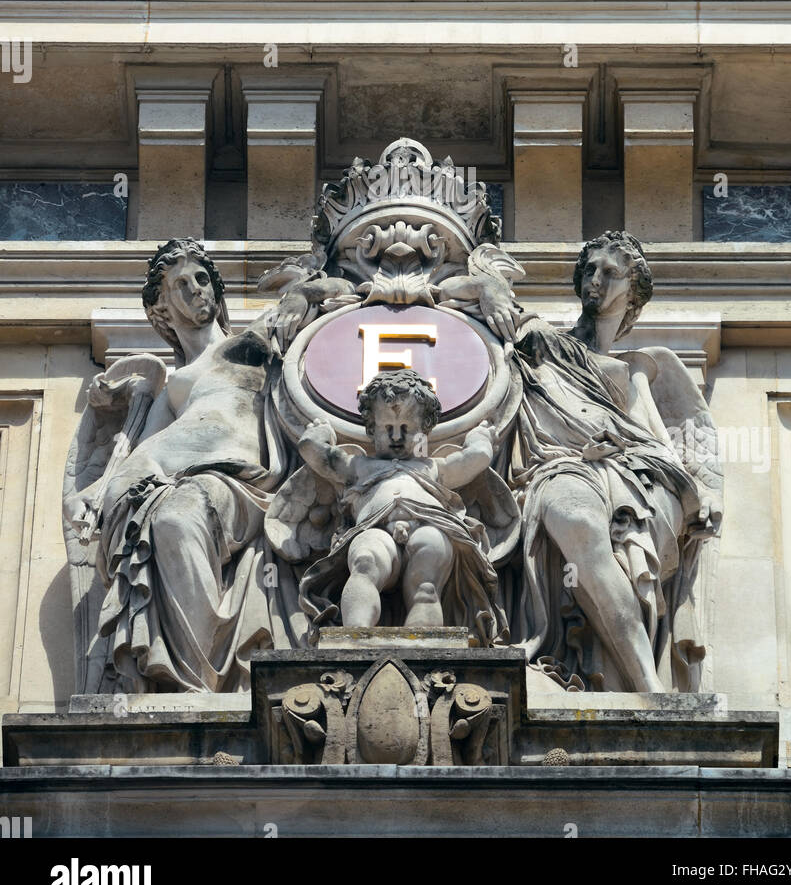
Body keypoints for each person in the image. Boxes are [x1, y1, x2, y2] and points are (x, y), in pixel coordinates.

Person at [512, 231, 717, 693]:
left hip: (626, 472)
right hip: (558, 463)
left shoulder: (634, 368)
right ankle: (646, 684)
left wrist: (700, 489)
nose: (595, 281)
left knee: (621, 531)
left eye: (609, 272)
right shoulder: (543, 343)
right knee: (577, 519)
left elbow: (658, 443)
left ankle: (646, 686)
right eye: (588, 270)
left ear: (633, 290)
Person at [92, 239, 296, 692]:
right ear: (160, 308)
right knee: (170, 517)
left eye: (202, 279)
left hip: (243, 482)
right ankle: (192, 684)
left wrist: (300, 294)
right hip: (177, 481)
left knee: (178, 518)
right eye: (180, 284)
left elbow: (318, 297)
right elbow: (142, 453)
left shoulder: (252, 343)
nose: (196, 289)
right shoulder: (176, 384)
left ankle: (204, 679)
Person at [286, 369, 508, 643]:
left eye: (406, 429)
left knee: (426, 584)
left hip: (429, 525)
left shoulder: (433, 467)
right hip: (375, 527)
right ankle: (353, 640)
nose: (396, 437)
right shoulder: (361, 466)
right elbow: (317, 454)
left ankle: (424, 648)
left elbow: (475, 458)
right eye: (387, 429)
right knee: (365, 563)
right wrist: (317, 435)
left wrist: (480, 439)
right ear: (371, 428)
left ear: (425, 431)